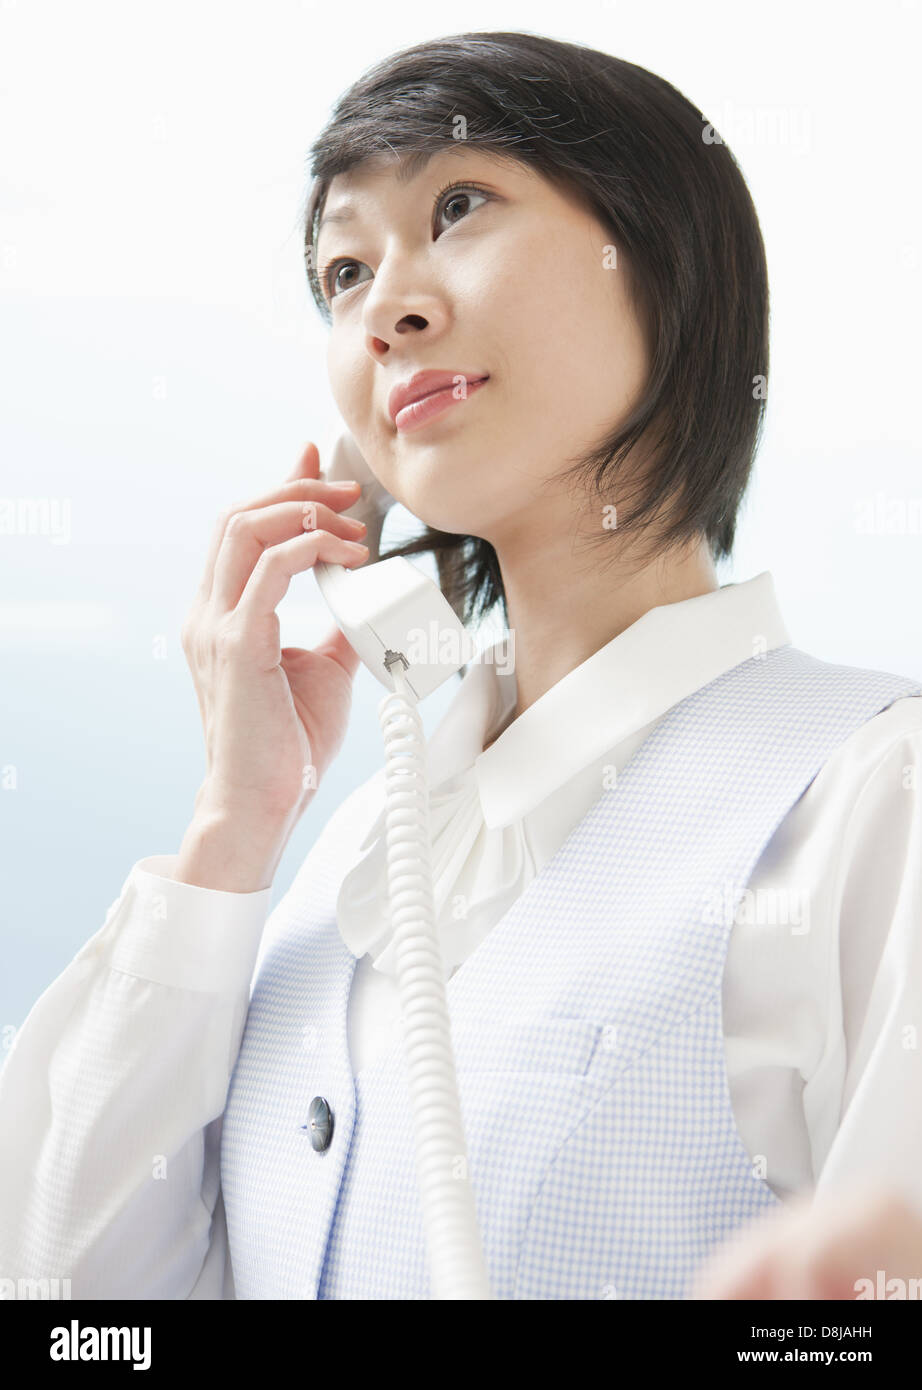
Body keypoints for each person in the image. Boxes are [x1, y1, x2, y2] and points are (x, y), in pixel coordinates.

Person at [1, 30, 920, 1301]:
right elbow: (79, 1313)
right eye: (342, 270)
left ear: (666, 263)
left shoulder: (875, 793)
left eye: (458, 206)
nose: (384, 308)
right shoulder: (344, 864)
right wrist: (234, 823)